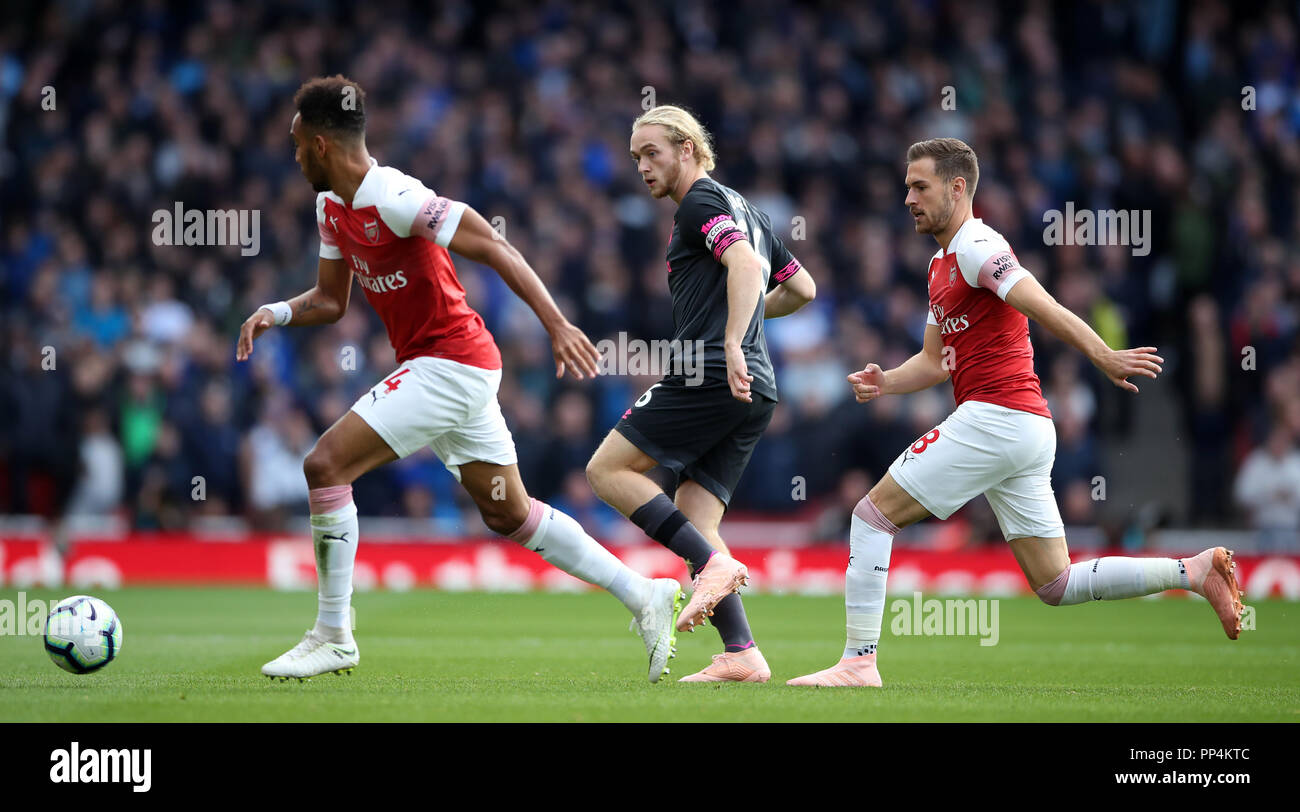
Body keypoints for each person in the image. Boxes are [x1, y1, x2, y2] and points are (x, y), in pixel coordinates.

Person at [236, 76, 682, 683]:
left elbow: (494, 246)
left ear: (319, 144)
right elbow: (331, 300)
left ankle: (332, 635)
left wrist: (556, 324)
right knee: (510, 514)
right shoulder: (331, 209)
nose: (290, 157)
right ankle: (643, 594)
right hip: (446, 370)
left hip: (453, 363)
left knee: (324, 466)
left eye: (294, 144)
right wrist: (278, 312)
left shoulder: (394, 195)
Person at [788, 137, 1243, 688]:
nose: (907, 198)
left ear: (958, 189)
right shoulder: (940, 265)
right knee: (1056, 584)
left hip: (996, 416)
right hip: (1022, 428)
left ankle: (858, 664)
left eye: (919, 186)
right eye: (906, 186)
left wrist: (1102, 353)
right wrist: (885, 382)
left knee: (870, 515)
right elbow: (935, 362)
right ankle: (1192, 572)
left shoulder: (979, 245)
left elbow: (1041, 302)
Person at [585, 106, 817, 683]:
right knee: (696, 514)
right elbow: (802, 288)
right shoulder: (751, 209)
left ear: (687, 148)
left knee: (607, 470)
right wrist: (744, 322)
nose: (642, 165)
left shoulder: (700, 203)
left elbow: (740, 262)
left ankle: (714, 566)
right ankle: (741, 652)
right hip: (757, 388)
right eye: (636, 156)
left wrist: (732, 338)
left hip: (708, 370)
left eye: (652, 152)